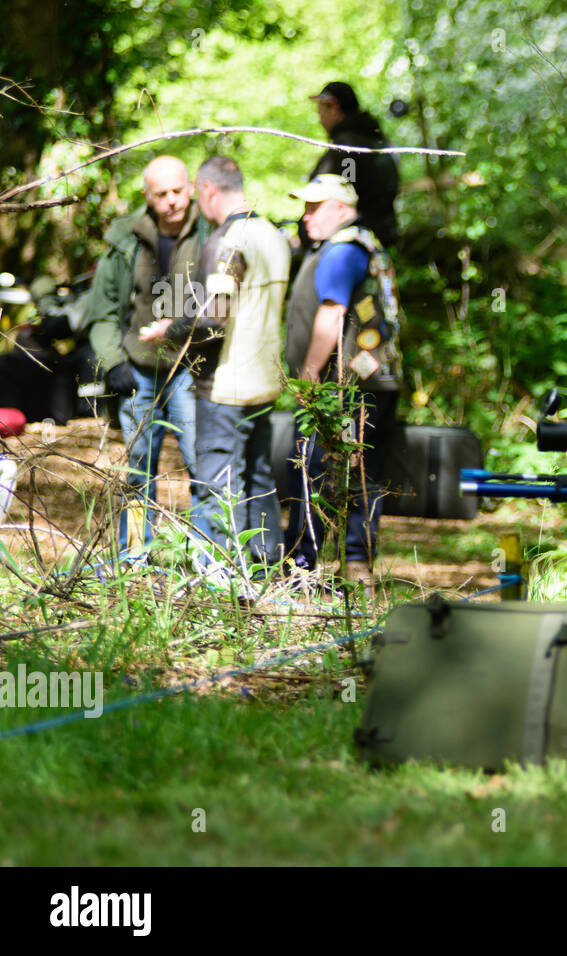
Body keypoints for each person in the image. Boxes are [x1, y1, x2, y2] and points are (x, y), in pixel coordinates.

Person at [141, 156, 290, 567]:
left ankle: (216, 578)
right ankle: (264, 568)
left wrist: (167, 332)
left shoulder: (226, 241)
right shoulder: (271, 234)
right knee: (259, 478)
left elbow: (214, 321)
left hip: (226, 384)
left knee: (216, 483)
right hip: (265, 380)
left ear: (206, 189)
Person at [283, 174, 402, 590]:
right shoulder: (368, 245)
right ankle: (358, 568)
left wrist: (311, 372)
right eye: (304, 207)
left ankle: (300, 567)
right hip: (379, 381)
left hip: (346, 389)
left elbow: (332, 314)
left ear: (340, 208)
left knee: (319, 471)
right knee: (364, 475)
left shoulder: (341, 250)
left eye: (314, 208)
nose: (306, 217)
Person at [85, 155, 204, 553]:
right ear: (147, 197)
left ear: (190, 188)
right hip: (139, 370)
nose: (171, 201)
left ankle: (211, 555)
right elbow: (103, 311)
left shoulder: (213, 233)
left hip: (192, 368)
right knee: (138, 467)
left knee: (201, 462)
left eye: (177, 191)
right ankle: (134, 552)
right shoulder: (125, 241)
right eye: (161, 194)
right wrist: (114, 362)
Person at [306, 81, 399, 250]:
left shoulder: (347, 148)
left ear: (333, 107)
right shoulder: (374, 140)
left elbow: (345, 192)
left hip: (353, 245)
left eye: (321, 109)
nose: (319, 117)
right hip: (381, 237)